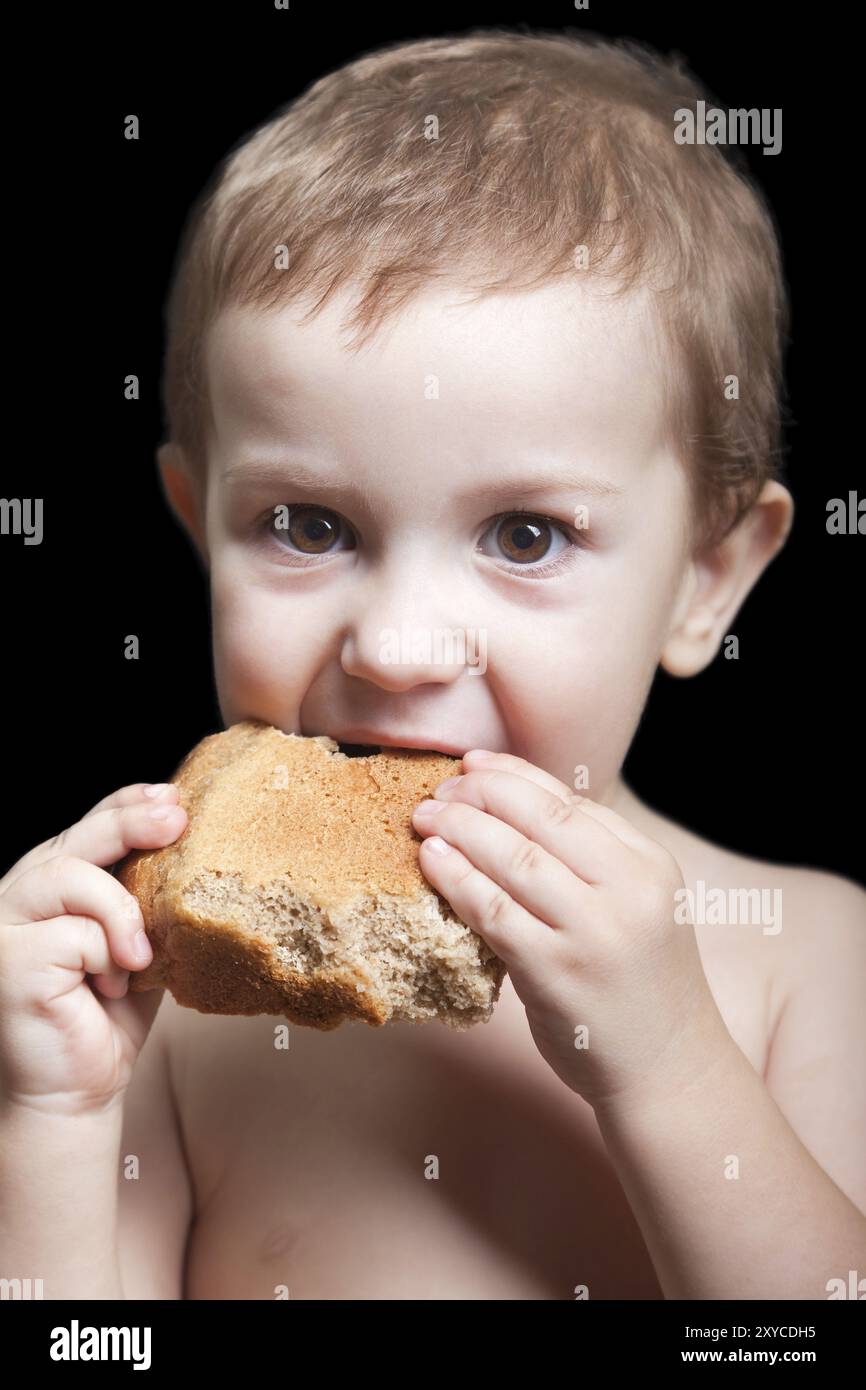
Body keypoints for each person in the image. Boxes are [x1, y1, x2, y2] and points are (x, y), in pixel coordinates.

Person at [2, 29, 864, 1300]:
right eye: (307, 525)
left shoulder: (810, 955)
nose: (398, 649)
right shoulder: (164, 1011)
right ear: (197, 527)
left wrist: (673, 1063)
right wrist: (50, 1123)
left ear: (704, 580)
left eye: (525, 536)